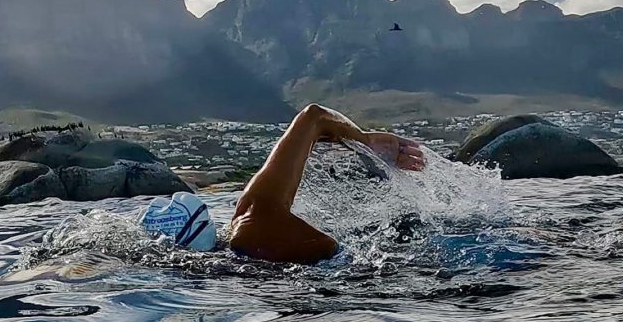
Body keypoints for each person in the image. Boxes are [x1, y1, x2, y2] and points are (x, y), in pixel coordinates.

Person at [143, 104, 426, 264]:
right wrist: (365, 142)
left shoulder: (224, 270)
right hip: (390, 265)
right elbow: (313, 116)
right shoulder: (251, 223)